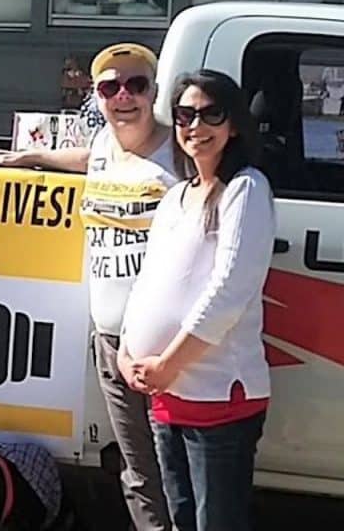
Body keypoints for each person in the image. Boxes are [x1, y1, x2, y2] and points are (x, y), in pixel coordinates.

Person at [0, 43, 178, 531]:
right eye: (111, 87)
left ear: (154, 92)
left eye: (136, 85)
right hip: (111, 342)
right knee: (138, 474)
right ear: (98, 96)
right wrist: (29, 157)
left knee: (179, 471)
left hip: (168, 349)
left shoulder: (181, 152)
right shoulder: (106, 152)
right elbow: (86, 156)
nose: (124, 96)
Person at [119, 69, 273, 531]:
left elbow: (230, 291)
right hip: (167, 396)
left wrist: (168, 361)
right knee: (182, 521)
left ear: (235, 125)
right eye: (185, 115)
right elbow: (146, 283)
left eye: (211, 114)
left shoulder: (246, 189)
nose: (195, 127)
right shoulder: (175, 199)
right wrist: (128, 352)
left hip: (219, 396)